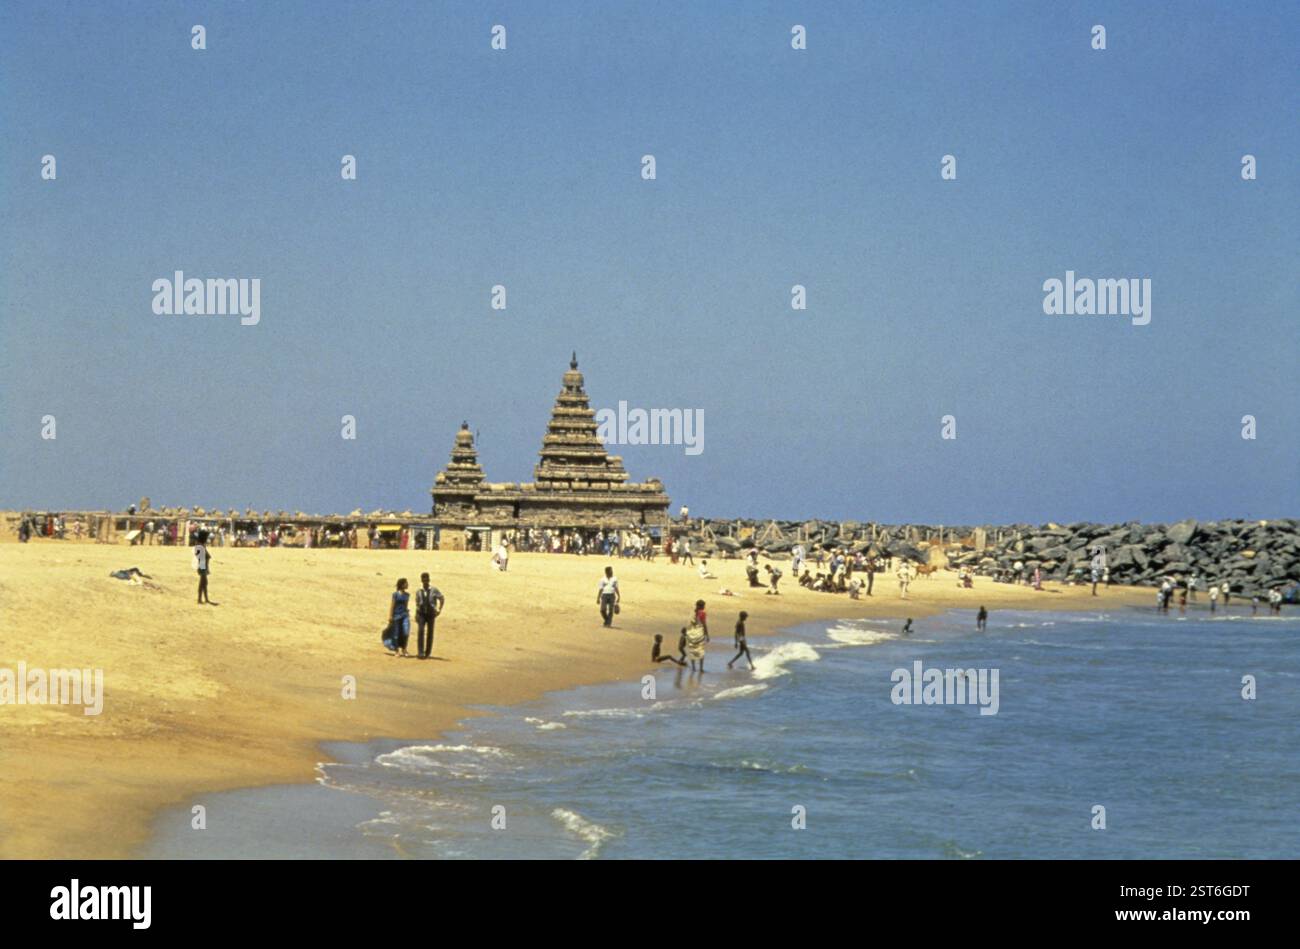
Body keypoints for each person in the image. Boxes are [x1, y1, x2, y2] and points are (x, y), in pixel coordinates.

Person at [415, 573, 445, 659]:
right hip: (421, 613)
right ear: (421, 580)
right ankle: (420, 652)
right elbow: (417, 603)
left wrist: (439, 609)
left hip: (431, 614)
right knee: (420, 632)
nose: (425, 581)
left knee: (430, 633)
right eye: (424, 580)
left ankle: (427, 652)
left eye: (427, 579)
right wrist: (416, 614)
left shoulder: (434, 590)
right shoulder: (418, 591)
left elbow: (442, 598)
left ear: (429, 580)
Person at [388, 578, 412, 657]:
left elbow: (406, 605)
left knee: (406, 632)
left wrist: (407, 611)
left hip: (404, 615)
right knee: (396, 634)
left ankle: (404, 649)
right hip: (396, 616)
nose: (407, 585)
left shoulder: (407, 595)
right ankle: (396, 650)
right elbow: (392, 605)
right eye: (406, 583)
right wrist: (390, 616)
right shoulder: (395, 594)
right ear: (402, 585)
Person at [193, 532, 212, 605]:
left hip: (203, 566)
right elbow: (201, 558)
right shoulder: (200, 546)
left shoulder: (200, 545)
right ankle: (201, 599)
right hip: (203, 566)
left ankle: (204, 599)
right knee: (203, 583)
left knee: (204, 583)